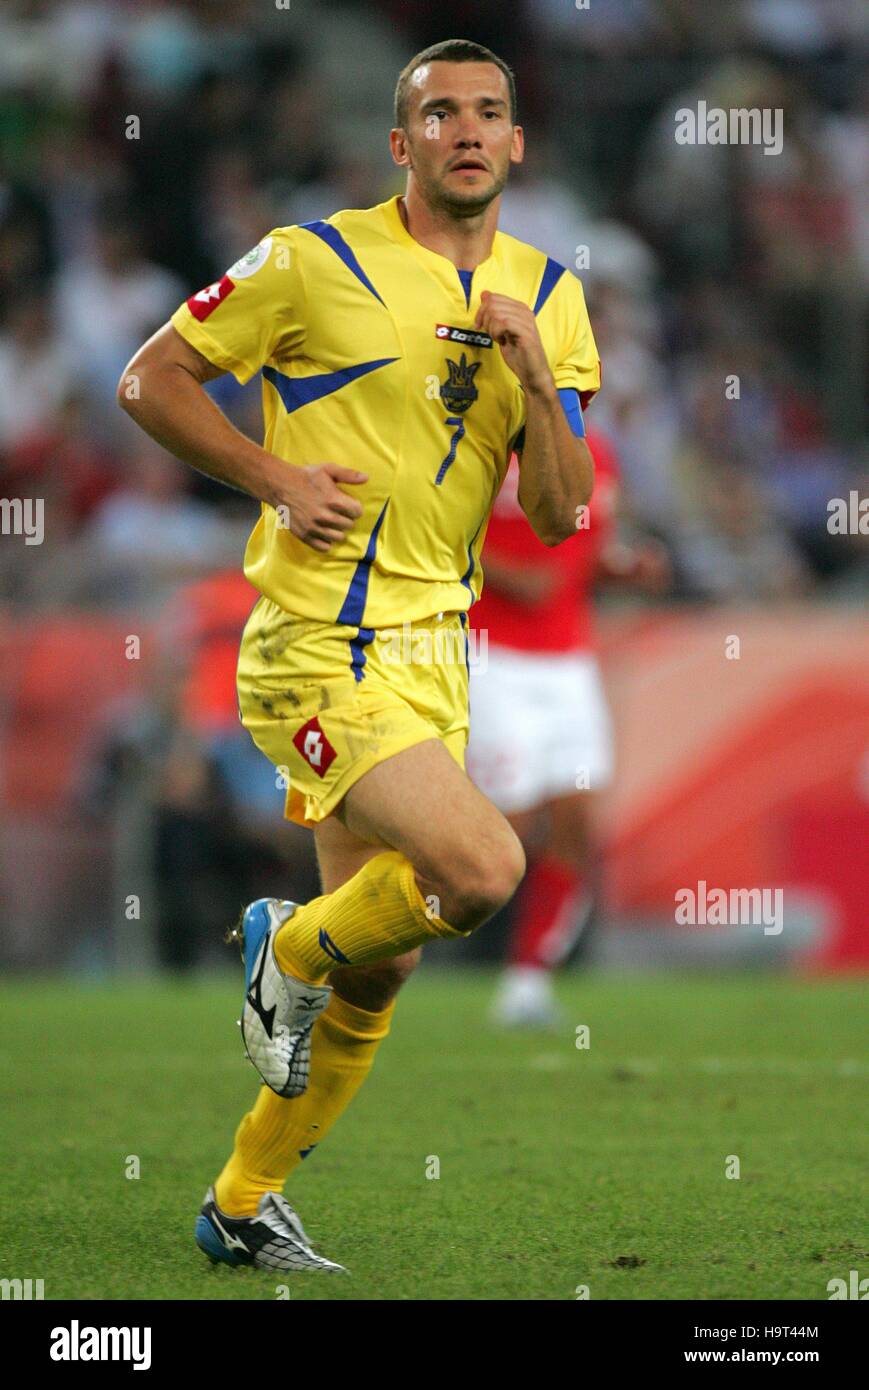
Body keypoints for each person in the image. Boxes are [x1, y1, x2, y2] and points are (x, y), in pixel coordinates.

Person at [118, 39, 601, 1274]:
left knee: (378, 972)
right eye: (439, 113)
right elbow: (149, 380)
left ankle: (240, 1201)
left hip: (438, 652)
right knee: (484, 865)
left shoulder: (550, 294)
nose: (467, 131)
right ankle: (281, 944)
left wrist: (539, 383)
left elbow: (555, 513)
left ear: (517, 141)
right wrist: (271, 475)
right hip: (315, 645)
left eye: (490, 112)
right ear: (402, 144)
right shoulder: (310, 259)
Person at [467, 428, 668, 1026]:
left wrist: (622, 568)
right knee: (505, 831)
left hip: (568, 660)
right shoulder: (474, 434)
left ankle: (527, 984)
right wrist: (501, 568)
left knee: (578, 823)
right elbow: (434, 536)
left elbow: (579, 555)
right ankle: (367, 927)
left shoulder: (597, 452)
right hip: (489, 654)